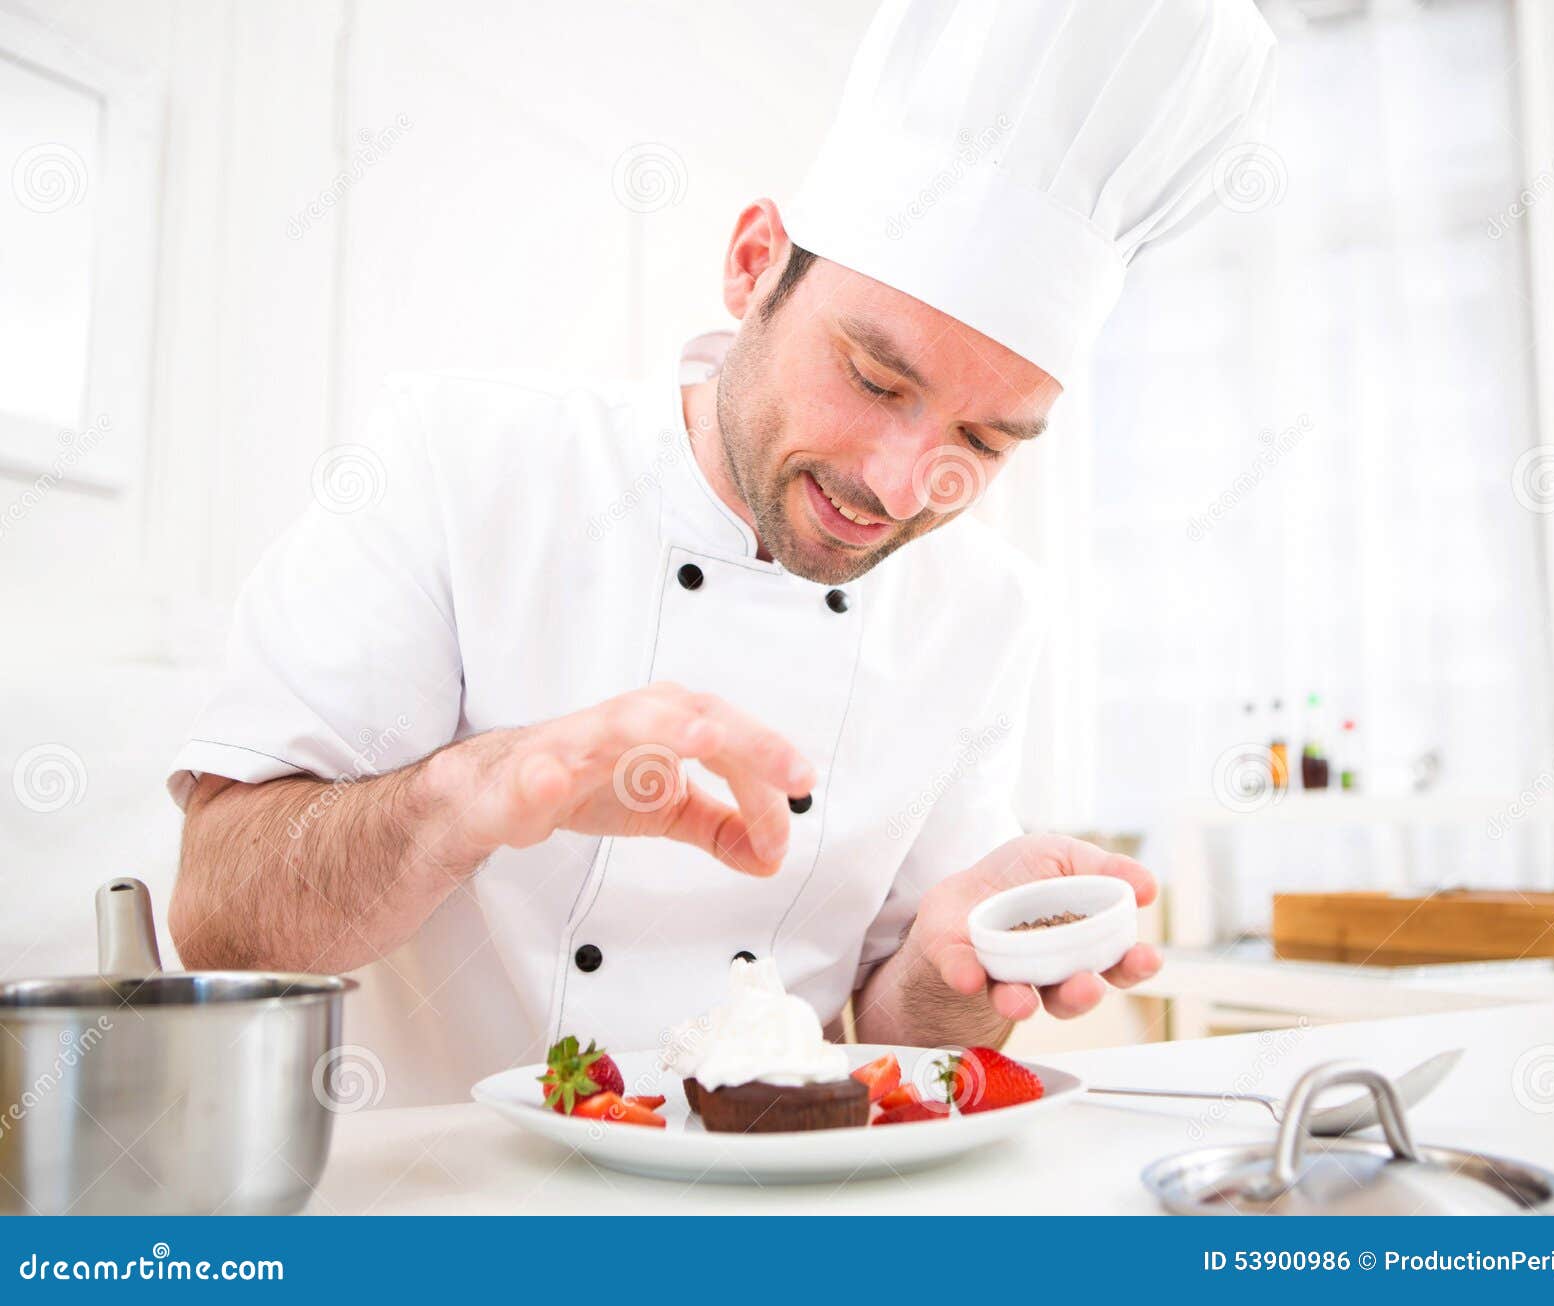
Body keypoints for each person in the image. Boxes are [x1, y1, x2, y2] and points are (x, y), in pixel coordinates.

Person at [168, 0, 1275, 1104]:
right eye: (875, 380)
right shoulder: (463, 462)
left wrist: (955, 974)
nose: (899, 485)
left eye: (982, 440)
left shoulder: (984, 609)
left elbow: (884, 1034)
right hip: (440, 1206)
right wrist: (480, 789)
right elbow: (217, 916)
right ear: (754, 266)